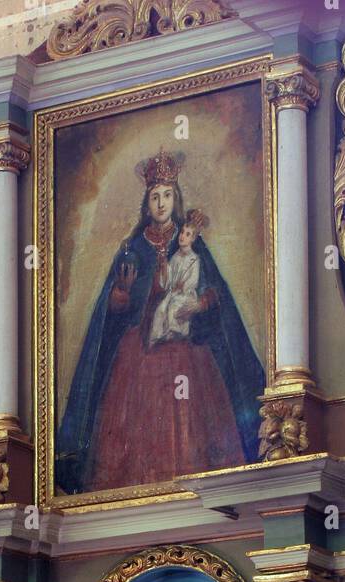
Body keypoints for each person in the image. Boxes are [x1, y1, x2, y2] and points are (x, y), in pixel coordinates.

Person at [56, 150, 265, 493]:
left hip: (185, 350)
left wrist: (200, 302)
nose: (161, 203)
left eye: (167, 195)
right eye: (155, 196)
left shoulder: (191, 243)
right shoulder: (133, 248)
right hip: (138, 354)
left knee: (188, 422)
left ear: (176, 198)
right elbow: (111, 310)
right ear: (146, 202)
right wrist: (118, 299)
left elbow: (216, 293)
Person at [148, 210, 205, 347]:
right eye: (182, 232)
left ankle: (175, 334)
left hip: (186, 296)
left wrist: (184, 286)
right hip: (174, 292)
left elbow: (194, 281)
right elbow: (167, 281)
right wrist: (164, 267)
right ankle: (157, 338)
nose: (182, 236)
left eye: (187, 234)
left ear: (192, 239)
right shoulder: (175, 257)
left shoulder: (194, 259)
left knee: (174, 308)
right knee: (161, 310)